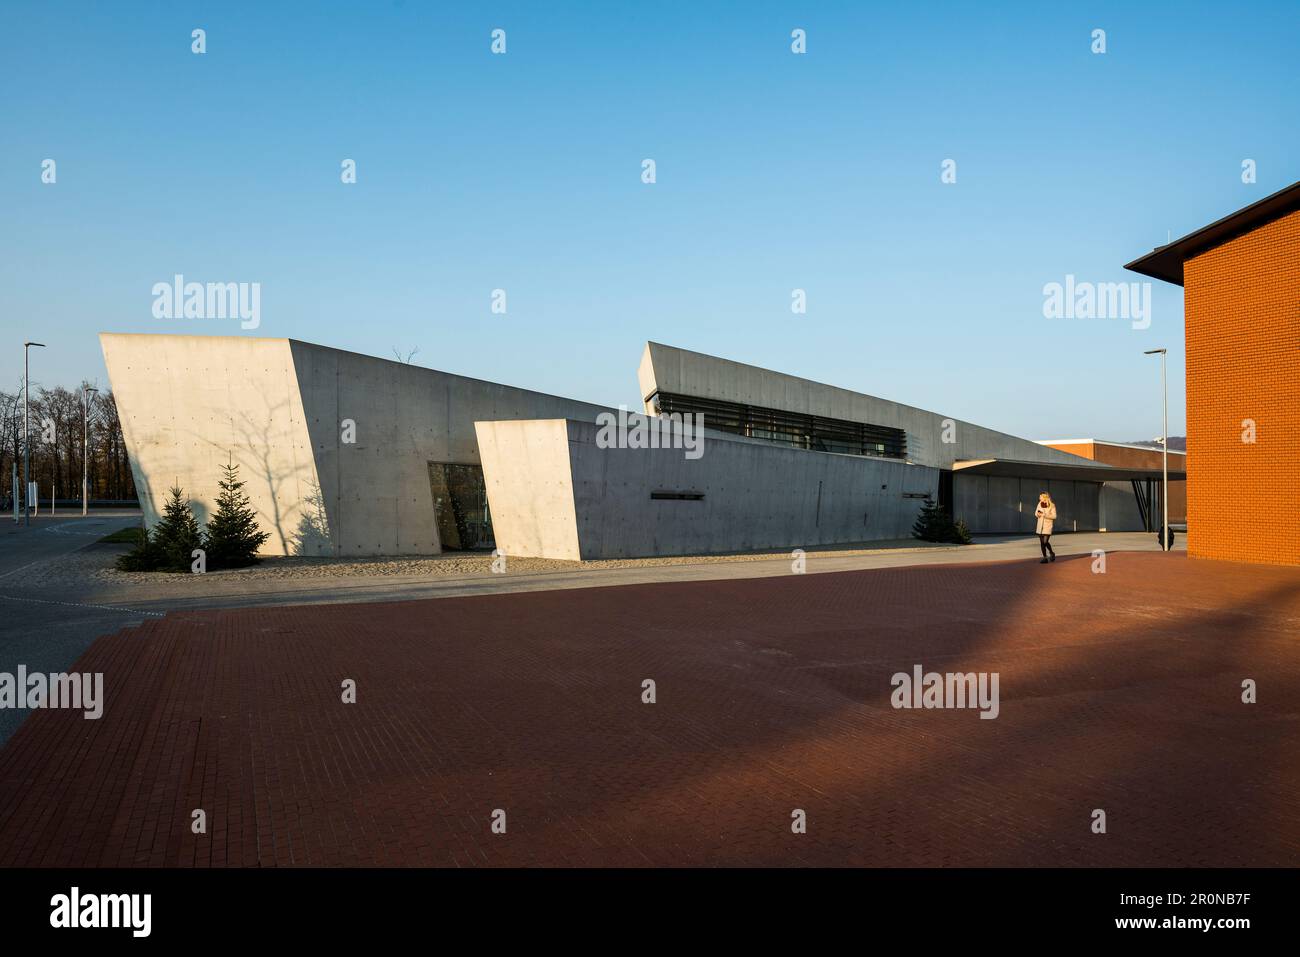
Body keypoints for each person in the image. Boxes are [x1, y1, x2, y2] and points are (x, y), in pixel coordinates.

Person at [1035, 492, 1057, 563]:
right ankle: (1045, 558)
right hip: (1040, 526)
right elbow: (1035, 513)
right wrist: (1038, 514)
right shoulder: (1039, 504)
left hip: (1047, 526)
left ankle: (1051, 553)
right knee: (1042, 543)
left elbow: (1054, 516)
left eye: (1040, 497)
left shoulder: (1052, 505)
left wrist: (1045, 515)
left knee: (1045, 541)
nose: (1039, 498)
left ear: (1044, 497)